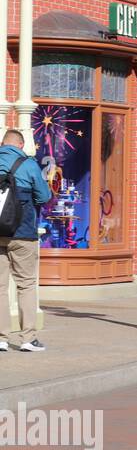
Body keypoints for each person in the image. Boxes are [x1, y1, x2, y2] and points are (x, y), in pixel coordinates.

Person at [0, 130, 52, 351]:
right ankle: (28, 339)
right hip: (22, 234)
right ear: (20, 144)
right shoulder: (29, 164)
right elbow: (44, 196)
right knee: (26, 284)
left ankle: (1, 338)